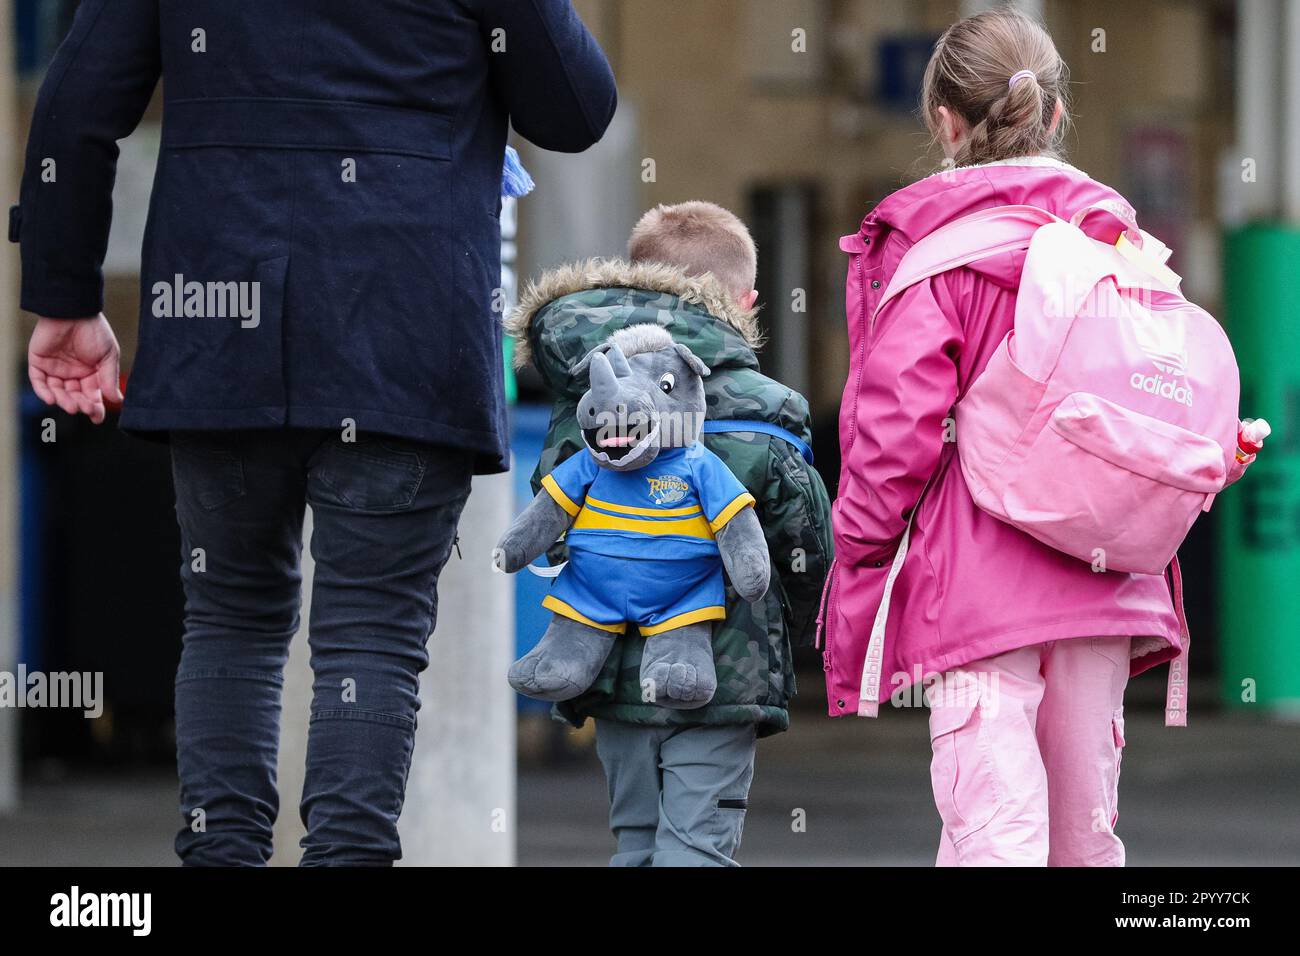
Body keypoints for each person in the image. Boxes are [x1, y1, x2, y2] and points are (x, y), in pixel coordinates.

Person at [13, 0, 616, 866]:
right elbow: (574, 108)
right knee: (372, 630)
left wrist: (65, 296)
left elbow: (76, 105)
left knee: (228, 617)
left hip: (220, 326)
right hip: (406, 332)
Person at [822, 8, 1183, 866]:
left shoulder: (934, 261)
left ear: (944, 124)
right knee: (1085, 837)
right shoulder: (1123, 251)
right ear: (1055, 116)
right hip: (1102, 583)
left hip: (979, 595)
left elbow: (891, 436)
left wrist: (858, 559)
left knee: (995, 834)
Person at [506, 201, 833, 865]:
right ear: (747, 302)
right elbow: (805, 550)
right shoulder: (769, 412)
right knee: (697, 845)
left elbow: (558, 525)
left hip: (612, 667)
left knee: (634, 841)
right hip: (724, 670)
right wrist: (789, 631)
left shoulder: (585, 401)